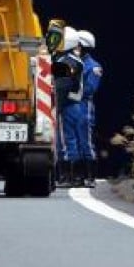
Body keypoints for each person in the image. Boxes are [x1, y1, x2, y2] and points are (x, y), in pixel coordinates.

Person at [54, 26, 85, 188]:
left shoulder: (66, 63)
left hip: (67, 105)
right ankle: (75, 176)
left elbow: (61, 87)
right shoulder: (74, 61)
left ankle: (67, 176)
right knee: (73, 140)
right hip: (75, 104)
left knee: (65, 142)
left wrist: (55, 107)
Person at [75, 30, 104, 188]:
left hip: (83, 107)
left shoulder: (93, 67)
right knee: (74, 144)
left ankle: (90, 176)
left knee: (85, 142)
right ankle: (78, 176)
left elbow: (90, 89)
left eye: (77, 45)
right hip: (71, 107)